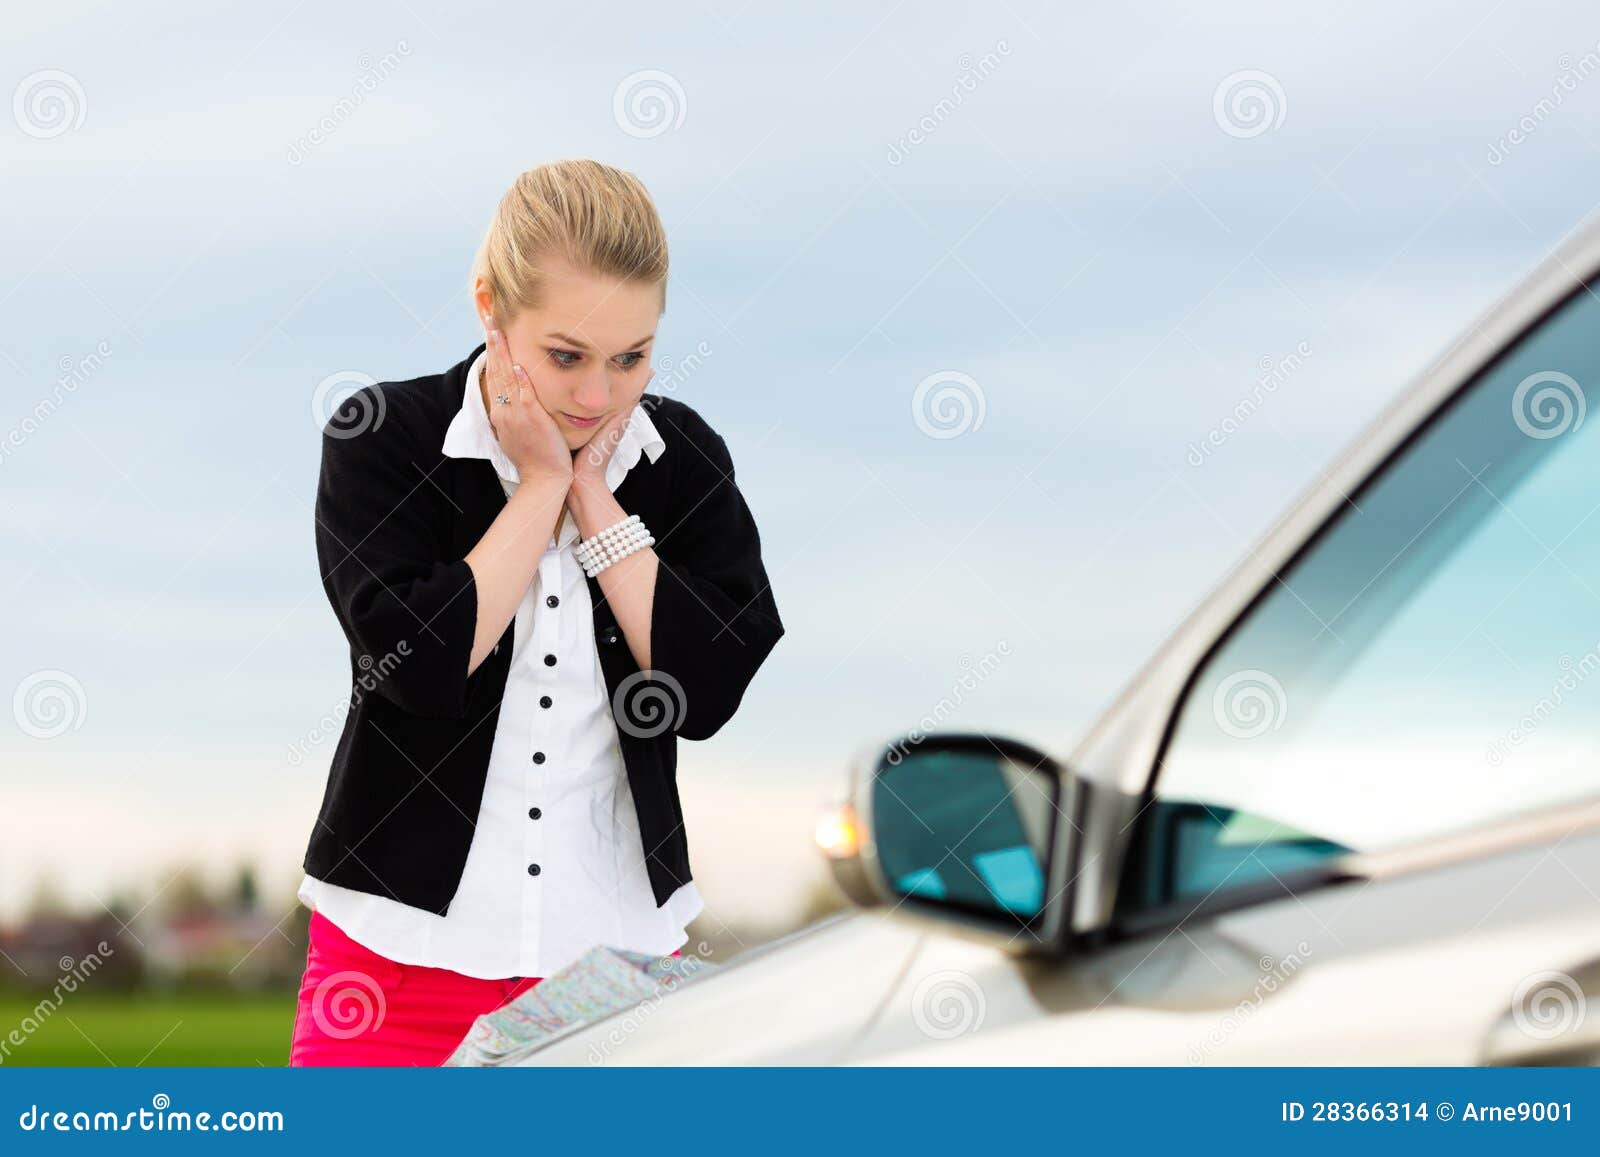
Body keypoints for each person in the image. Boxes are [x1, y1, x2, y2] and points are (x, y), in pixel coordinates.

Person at [288, 158, 785, 1065]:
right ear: (490, 306)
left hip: (618, 974)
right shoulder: (384, 436)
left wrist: (594, 500)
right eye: (566, 356)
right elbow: (419, 666)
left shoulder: (683, 459)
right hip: (393, 963)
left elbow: (706, 686)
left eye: (631, 358)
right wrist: (538, 490)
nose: (598, 397)